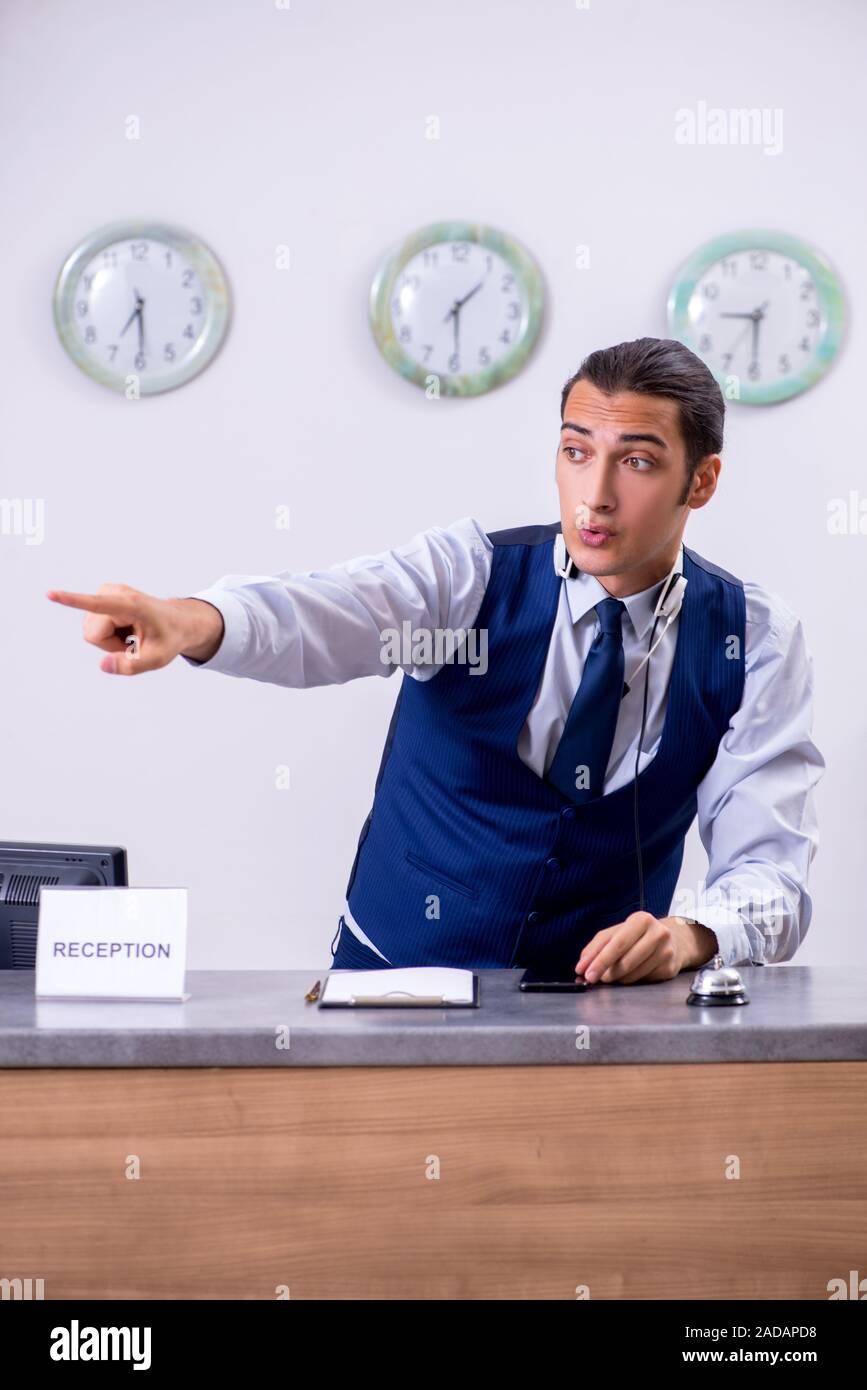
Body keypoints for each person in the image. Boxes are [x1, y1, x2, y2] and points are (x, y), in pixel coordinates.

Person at [47, 337, 824, 984]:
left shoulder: (751, 639)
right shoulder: (466, 583)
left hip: (600, 1010)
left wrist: (694, 934)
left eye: (637, 463)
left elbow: (771, 873)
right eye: (574, 451)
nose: (594, 495)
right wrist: (191, 621)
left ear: (703, 479)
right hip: (391, 982)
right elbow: (327, 614)